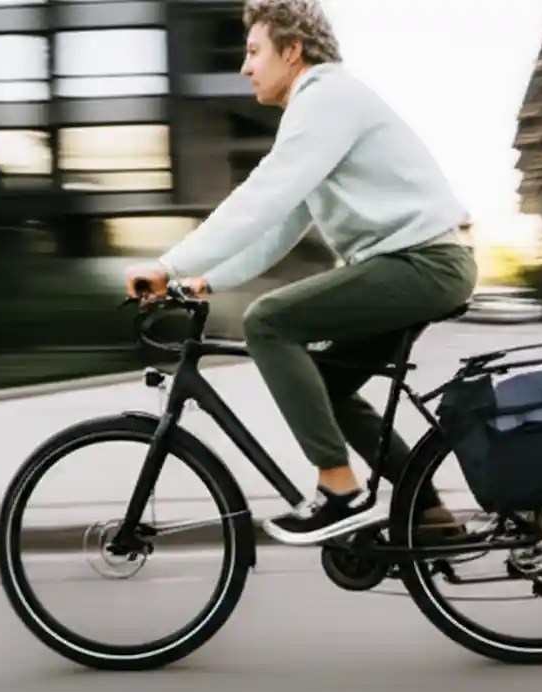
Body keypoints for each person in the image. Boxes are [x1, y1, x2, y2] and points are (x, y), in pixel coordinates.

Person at [125, 0, 478, 546]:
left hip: (424, 264)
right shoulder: (323, 113)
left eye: (254, 51)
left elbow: (262, 196)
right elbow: (279, 226)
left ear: (293, 51)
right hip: (415, 265)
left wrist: (170, 263)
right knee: (330, 385)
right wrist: (205, 280)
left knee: (268, 321)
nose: (246, 66)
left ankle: (339, 492)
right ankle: (429, 513)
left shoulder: (326, 98)